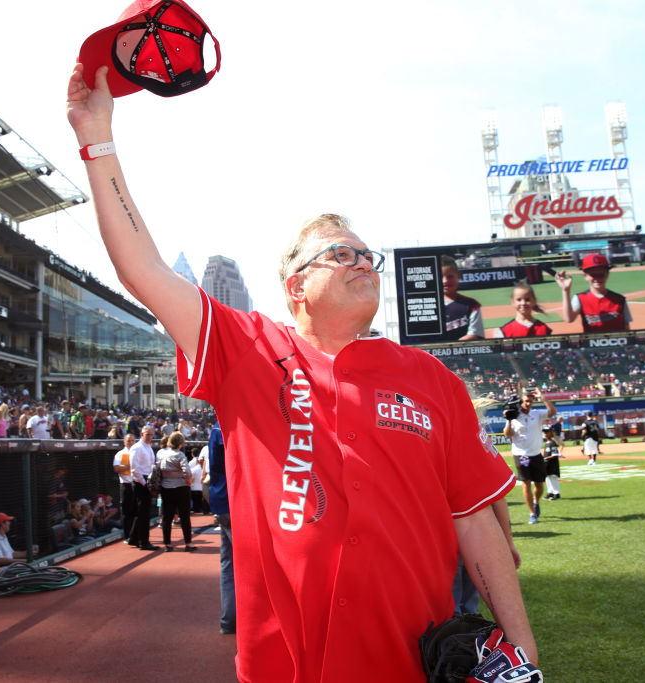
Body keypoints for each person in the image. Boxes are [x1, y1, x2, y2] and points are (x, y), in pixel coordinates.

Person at [67, 62, 535, 680]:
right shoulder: (245, 348)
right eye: (341, 254)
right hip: (285, 668)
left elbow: (476, 525)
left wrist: (525, 659)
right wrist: (96, 133)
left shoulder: (433, 379)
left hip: (413, 664)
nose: (362, 262)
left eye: (367, 255)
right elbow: (144, 270)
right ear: (297, 286)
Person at [504, 388, 557, 524]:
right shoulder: (514, 415)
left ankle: (536, 501)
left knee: (539, 485)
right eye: (526, 401)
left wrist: (543, 398)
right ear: (521, 401)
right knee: (526, 483)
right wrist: (509, 420)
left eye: (530, 401)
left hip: (535, 454)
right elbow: (507, 434)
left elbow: (552, 412)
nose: (528, 404)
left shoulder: (536, 414)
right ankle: (532, 513)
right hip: (522, 455)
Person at [555, 253, 632, 333]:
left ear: (607, 274)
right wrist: (565, 290)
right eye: (593, 275)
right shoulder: (580, 298)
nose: (597, 278)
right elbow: (569, 319)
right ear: (585, 276)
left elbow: (626, 326)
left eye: (601, 275)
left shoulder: (619, 299)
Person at [207, 421, 235, 634]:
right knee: (251, 564)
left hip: (221, 500)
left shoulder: (217, 427)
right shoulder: (237, 424)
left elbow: (215, 467)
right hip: (238, 502)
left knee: (228, 564)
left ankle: (229, 620)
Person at [157, 431, 195, 552]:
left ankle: (167, 544)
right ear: (180, 443)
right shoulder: (180, 455)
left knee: (167, 517)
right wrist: (188, 481)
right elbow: (187, 472)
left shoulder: (162, 454)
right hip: (181, 488)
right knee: (184, 516)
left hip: (166, 488)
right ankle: (188, 543)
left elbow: (160, 470)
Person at [127, 426, 160, 550]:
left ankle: (134, 538)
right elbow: (134, 469)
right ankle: (143, 542)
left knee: (143, 512)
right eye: (147, 434)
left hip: (148, 480)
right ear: (141, 434)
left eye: (152, 434)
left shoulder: (149, 447)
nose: (150, 437)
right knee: (143, 513)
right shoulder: (136, 448)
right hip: (141, 483)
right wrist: (144, 483)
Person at [440, 255, 485, 341]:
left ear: (459, 276)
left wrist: (449, 348)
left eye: (450, 276)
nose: (445, 281)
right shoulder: (426, 305)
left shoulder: (471, 305)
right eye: (441, 276)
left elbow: (475, 335)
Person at [113, 433, 137, 540]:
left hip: (137, 485)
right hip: (126, 485)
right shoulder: (120, 454)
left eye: (132, 441)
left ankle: (135, 534)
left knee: (136, 511)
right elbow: (117, 468)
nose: (131, 443)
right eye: (129, 441)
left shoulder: (137, 452)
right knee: (127, 512)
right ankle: (127, 535)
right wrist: (130, 466)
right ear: (124, 442)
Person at [542, 427, 564, 500]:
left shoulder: (553, 443)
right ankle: (550, 492)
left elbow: (555, 454)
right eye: (544, 432)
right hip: (547, 465)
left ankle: (556, 493)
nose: (545, 434)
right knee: (548, 478)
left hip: (552, 464)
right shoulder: (547, 443)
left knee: (553, 478)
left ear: (551, 433)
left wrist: (545, 458)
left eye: (547, 432)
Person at [189, 448, 207, 514]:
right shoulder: (204, 469)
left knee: (195, 502)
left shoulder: (193, 468)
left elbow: (191, 478)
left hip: (194, 488)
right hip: (202, 487)